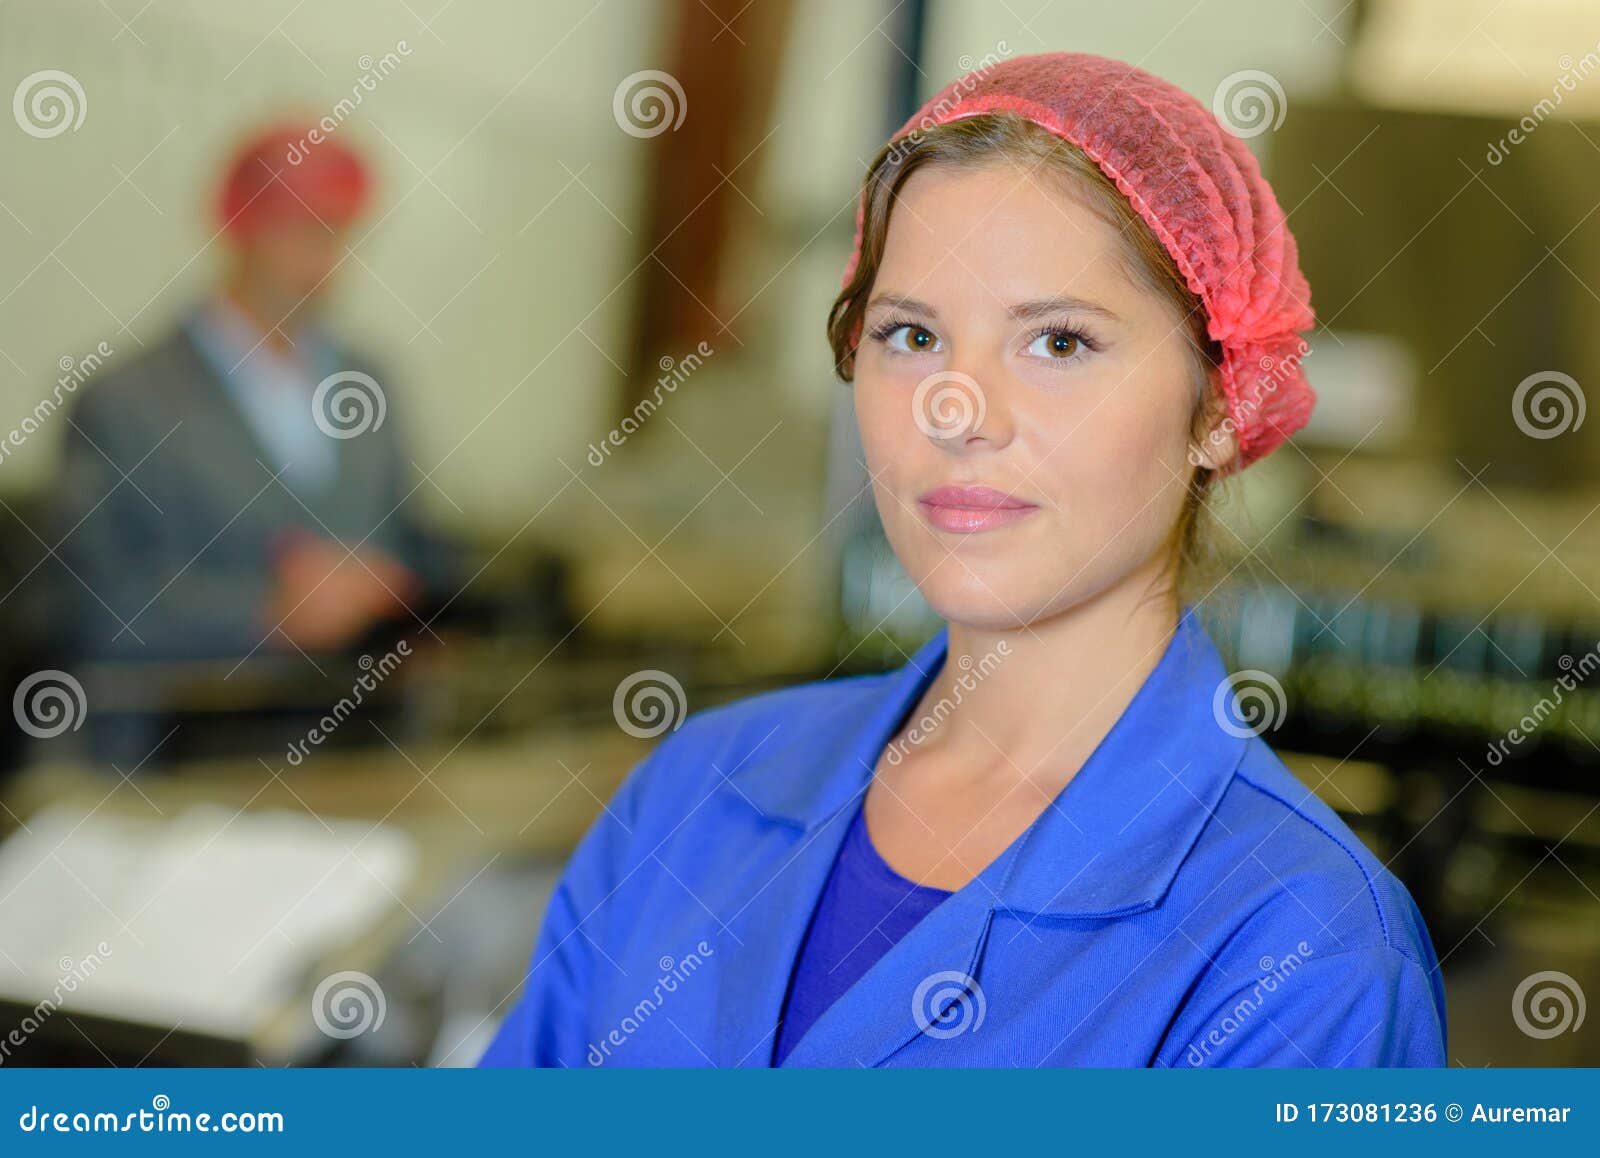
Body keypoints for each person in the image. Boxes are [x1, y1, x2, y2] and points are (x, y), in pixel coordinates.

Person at [479, 52, 1447, 1067]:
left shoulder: (1301, 956)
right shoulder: (699, 795)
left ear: (1217, 402)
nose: (956, 410)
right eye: (909, 334)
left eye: (1059, 343)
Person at [53, 123, 451, 760]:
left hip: (359, 756)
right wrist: (265, 611)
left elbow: (417, 546)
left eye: (341, 235)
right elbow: (87, 609)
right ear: (237, 227)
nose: (324, 265)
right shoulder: (125, 401)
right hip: (184, 762)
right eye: (303, 232)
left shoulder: (369, 385)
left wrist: (399, 593)